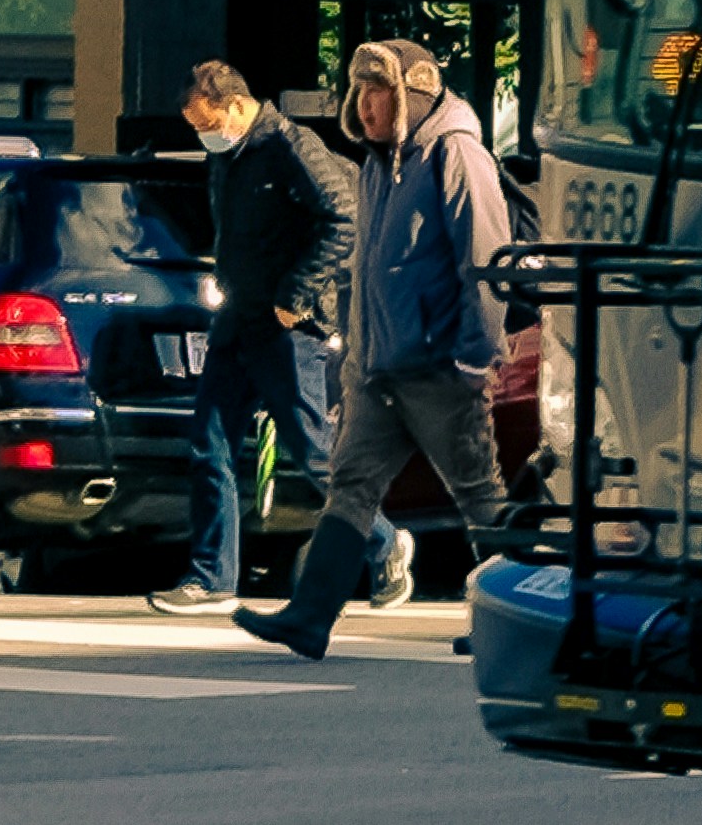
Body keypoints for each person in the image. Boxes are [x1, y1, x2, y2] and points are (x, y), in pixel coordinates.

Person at [234, 39, 511, 661]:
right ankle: (309, 618)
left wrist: (476, 357)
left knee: (478, 493)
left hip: (441, 366)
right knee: (352, 486)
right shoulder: (376, 164)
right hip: (379, 367)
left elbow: (487, 261)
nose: (364, 103)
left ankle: (511, 623)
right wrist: (354, 355)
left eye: (378, 89)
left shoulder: (455, 153)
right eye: (358, 89)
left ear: (411, 93)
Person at [150, 58, 358, 616]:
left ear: (237, 106)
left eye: (207, 122)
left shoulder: (292, 146)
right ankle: (211, 575)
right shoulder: (233, 155)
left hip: (287, 325)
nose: (204, 135)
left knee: (312, 451)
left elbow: (343, 217)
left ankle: (381, 540)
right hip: (239, 318)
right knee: (208, 443)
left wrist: (297, 296)